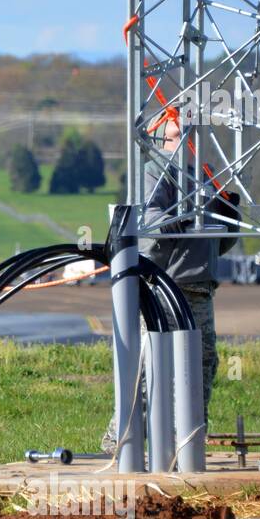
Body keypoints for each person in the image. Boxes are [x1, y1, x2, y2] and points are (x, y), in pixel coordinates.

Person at [101, 115, 229, 453]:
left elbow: (225, 236)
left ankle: (188, 436)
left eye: (192, 132)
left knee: (202, 363)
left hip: (199, 289)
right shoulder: (156, 173)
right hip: (165, 287)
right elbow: (151, 219)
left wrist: (229, 210)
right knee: (149, 369)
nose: (188, 138)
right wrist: (183, 217)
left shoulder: (205, 176)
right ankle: (121, 438)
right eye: (178, 133)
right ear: (161, 141)